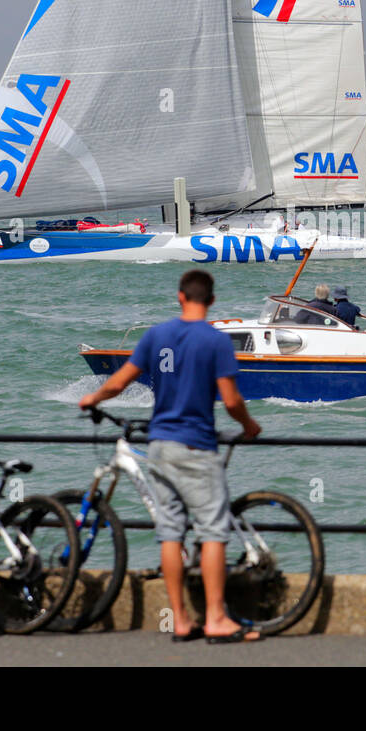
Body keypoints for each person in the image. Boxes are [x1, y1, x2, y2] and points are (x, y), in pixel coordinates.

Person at [79, 270, 263, 644]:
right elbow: (230, 400)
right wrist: (250, 426)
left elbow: (117, 382)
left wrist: (91, 399)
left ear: (180, 297)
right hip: (196, 445)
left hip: (160, 445)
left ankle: (180, 620)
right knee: (212, 530)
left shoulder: (156, 335)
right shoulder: (216, 341)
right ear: (211, 301)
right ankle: (215, 618)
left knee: (170, 532)